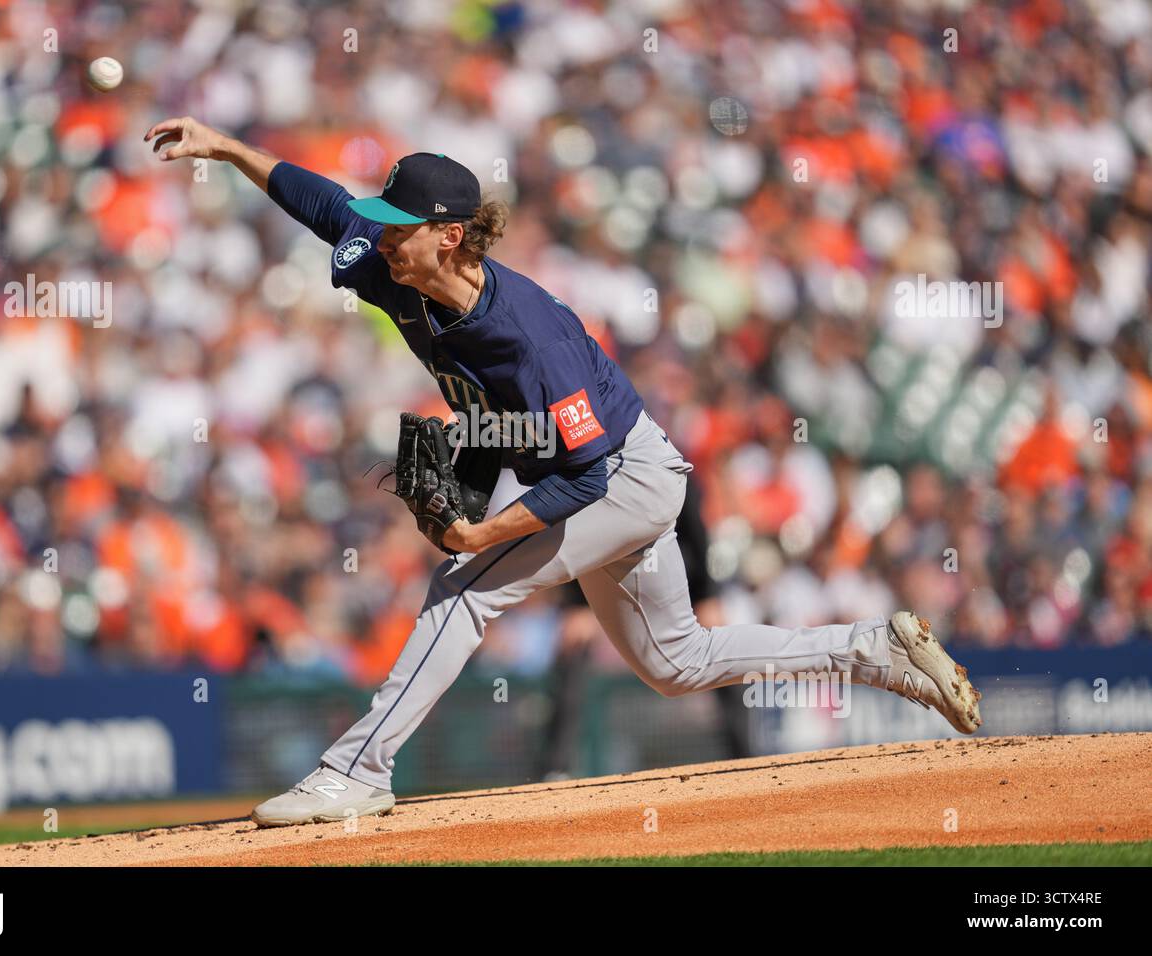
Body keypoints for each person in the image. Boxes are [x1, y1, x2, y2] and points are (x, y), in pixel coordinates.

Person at [142, 117, 983, 826]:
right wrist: (225, 147)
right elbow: (323, 203)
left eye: (396, 221)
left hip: (628, 475)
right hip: (604, 471)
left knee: (465, 585)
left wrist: (483, 532)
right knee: (673, 662)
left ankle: (357, 771)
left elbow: (585, 478)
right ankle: (876, 651)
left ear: (448, 235)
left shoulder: (525, 338)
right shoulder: (390, 262)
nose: (377, 232)